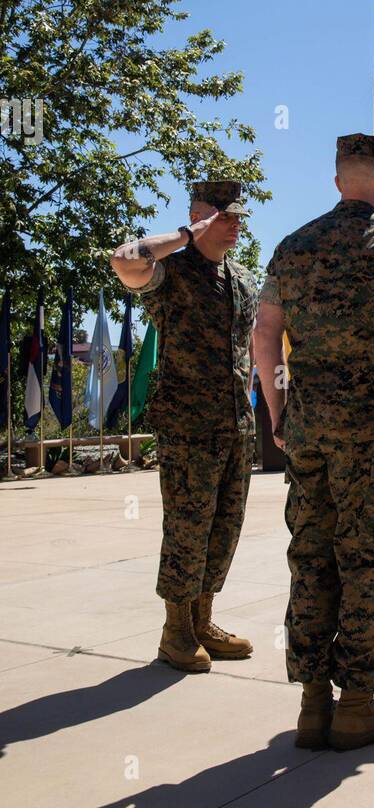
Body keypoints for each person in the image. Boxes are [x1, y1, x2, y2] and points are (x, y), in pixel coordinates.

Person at [254, 134, 374, 751]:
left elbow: (264, 336)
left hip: (307, 429)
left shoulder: (292, 244)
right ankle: (356, 703)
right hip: (373, 432)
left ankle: (311, 703)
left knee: (311, 553)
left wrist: (278, 411)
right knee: (371, 557)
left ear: (337, 182)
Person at [110, 181, 258, 673]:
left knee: (224, 528)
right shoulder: (170, 272)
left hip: (236, 424)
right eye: (226, 216)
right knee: (187, 528)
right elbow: (123, 258)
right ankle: (175, 631)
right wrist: (182, 234)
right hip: (188, 424)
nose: (237, 224)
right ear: (199, 216)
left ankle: (202, 619)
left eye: (240, 216)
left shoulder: (240, 279)